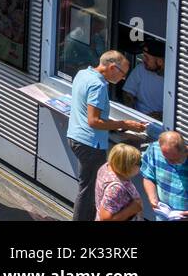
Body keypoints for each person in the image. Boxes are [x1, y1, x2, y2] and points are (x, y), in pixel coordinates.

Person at [67, 50, 146, 221]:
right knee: (88, 191)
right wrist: (124, 124)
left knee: (87, 187)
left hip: (75, 136)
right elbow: (94, 121)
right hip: (90, 144)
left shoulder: (82, 74)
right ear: (112, 67)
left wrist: (118, 126)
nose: (123, 78)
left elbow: (91, 114)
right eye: (123, 73)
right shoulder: (99, 85)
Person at [141, 130, 188, 220]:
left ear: (184, 149)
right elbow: (148, 176)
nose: (171, 163)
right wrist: (152, 198)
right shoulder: (154, 149)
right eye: (166, 158)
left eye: (175, 159)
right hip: (163, 216)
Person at [95, 143, 144, 222]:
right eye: (139, 163)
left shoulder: (106, 167)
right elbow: (104, 219)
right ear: (127, 166)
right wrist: (132, 209)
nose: (140, 166)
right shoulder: (116, 188)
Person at [120, 40, 165, 118]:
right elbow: (128, 93)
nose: (143, 60)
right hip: (139, 118)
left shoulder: (177, 79)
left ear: (160, 61)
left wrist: (162, 116)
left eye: (147, 58)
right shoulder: (140, 69)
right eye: (143, 56)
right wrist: (132, 114)